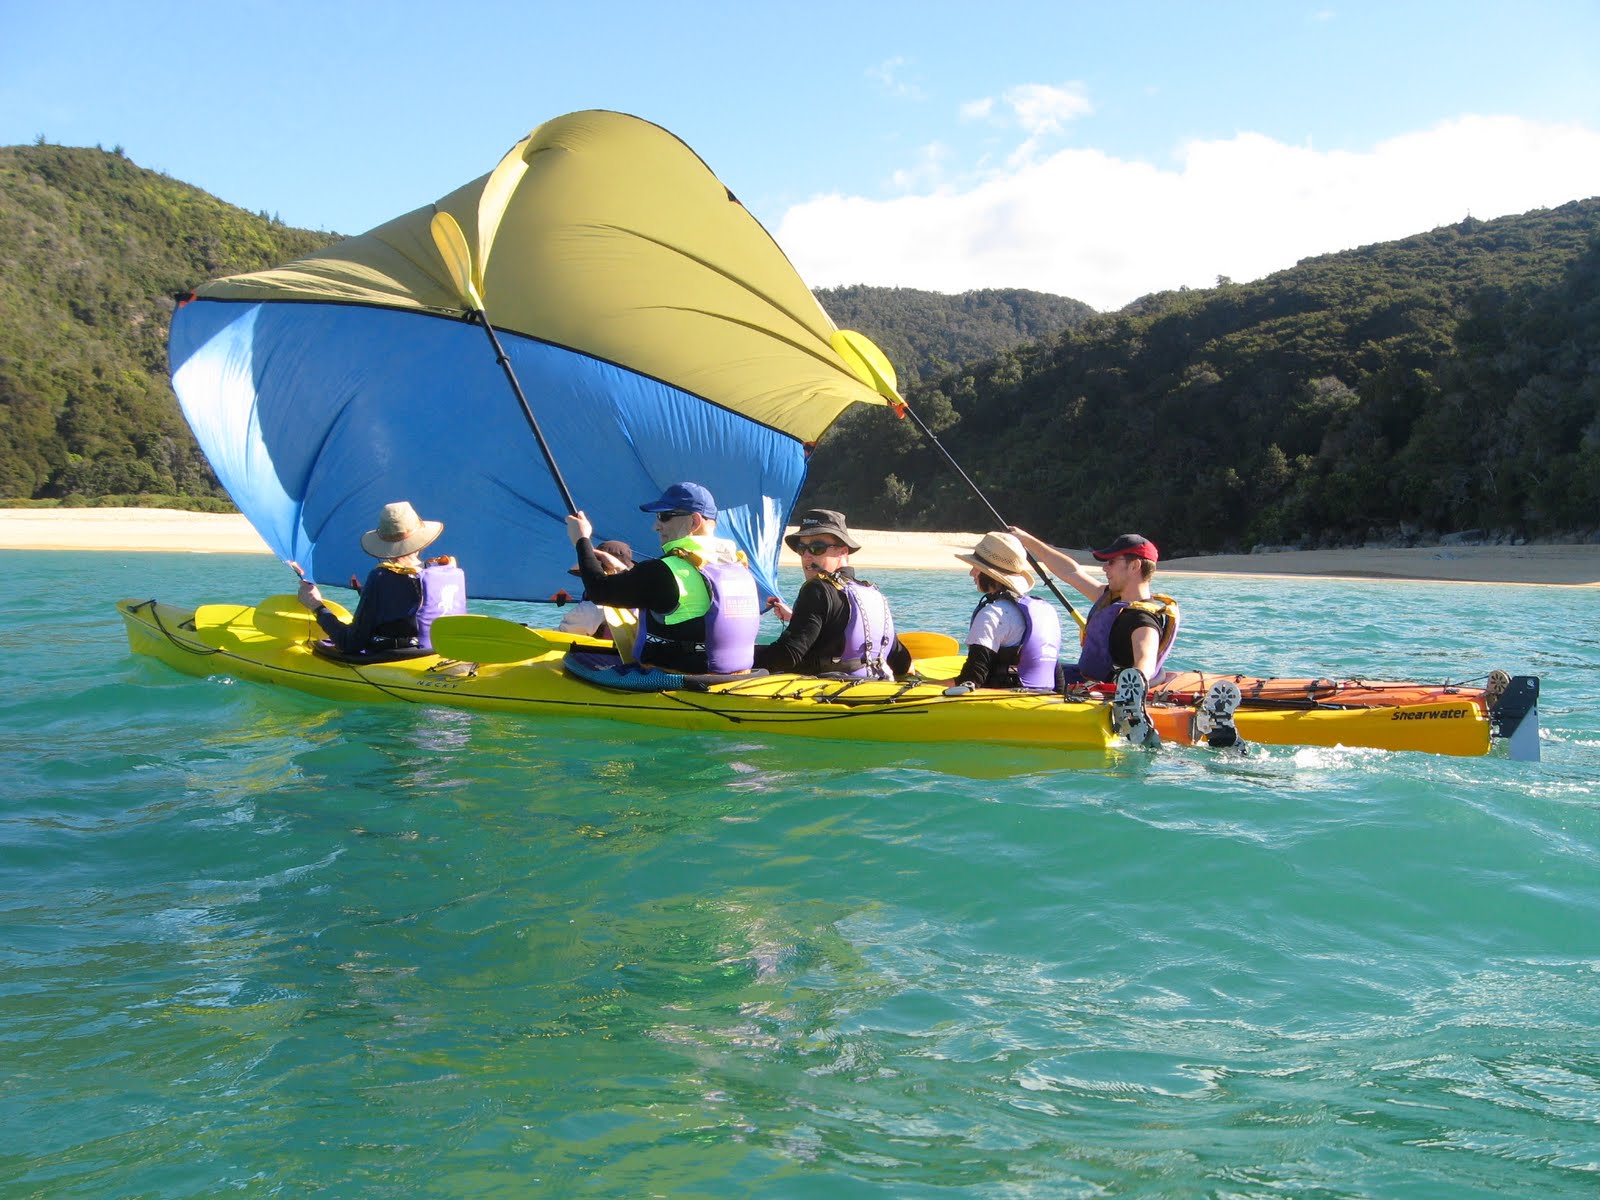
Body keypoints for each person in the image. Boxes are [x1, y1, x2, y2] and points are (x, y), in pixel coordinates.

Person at [1007, 529, 1202, 746]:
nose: (1104, 568)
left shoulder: (1143, 620)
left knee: (1016, 678)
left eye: (1111, 562)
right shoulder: (1111, 598)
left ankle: (1132, 712)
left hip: (1104, 692)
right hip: (1085, 679)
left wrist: (1133, 689)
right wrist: (1028, 540)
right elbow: (1070, 572)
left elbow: (1145, 662)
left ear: (1135, 566)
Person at [565, 481, 760, 674]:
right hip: (732, 677)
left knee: (572, 663)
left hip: (673, 681)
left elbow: (599, 591)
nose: (656, 526)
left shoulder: (664, 571)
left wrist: (581, 540)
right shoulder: (738, 566)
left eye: (664, 516)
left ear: (694, 521)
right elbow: (673, 590)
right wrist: (622, 569)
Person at [294, 500, 467, 656]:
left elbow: (351, 643)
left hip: (399, 659)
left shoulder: (381, 577)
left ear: (383, 541)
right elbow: (416, 606)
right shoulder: (445, 570)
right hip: (441, 653)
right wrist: (364, 591)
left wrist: (316, 605)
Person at [755, 509, 911, 679]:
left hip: (825, 696)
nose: (806, 556)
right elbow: (901, 661)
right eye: (802, 548)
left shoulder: (817, 590)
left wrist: (738, 658)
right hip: (874, 689)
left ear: (843, 552)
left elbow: (788, 655)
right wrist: (797, 618)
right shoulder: (873, 593)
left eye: (817, 548)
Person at [941, 531, 1062, 694]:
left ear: (990, 574)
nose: (972, 573)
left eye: (976, 568)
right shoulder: (1046, 611)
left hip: (1006, 705)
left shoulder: (992, 614)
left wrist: (921, 684)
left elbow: (971, 680)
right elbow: (1058, 676)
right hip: (1047, 699)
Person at [557, 539, 637, 644]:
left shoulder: (594, 606)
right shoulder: (643, 595)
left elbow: (563, 636)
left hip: (602, 657)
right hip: (635, 654)